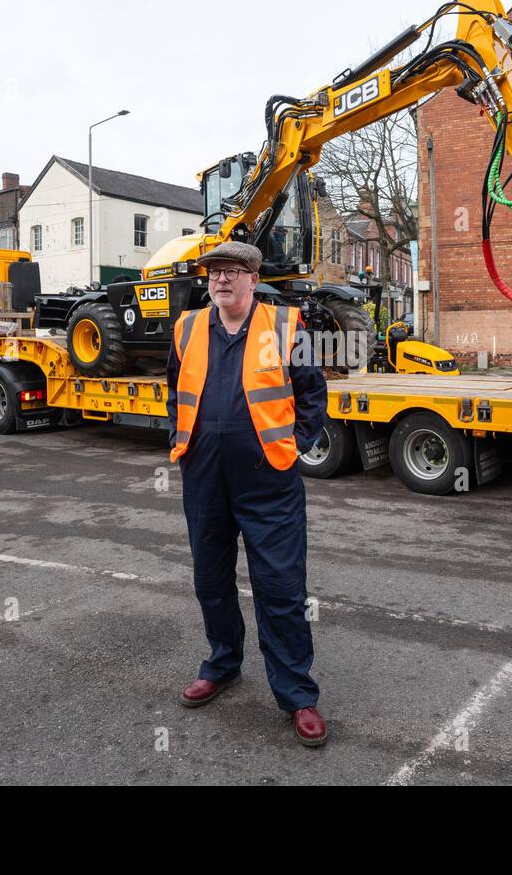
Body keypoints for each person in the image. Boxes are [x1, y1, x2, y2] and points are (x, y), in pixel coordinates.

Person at [165, 241, 330, 746]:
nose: (222, 280)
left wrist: (292, 448)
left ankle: (298, 694)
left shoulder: (285, 326)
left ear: (253, 279)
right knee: (211, 578)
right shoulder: (187, 327)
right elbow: (174, 391)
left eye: (233, 272)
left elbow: (312, 393)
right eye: (215, 272)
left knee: (280, 586)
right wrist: (181, 440)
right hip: (205, 475)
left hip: (269, 478)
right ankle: (222, 664)